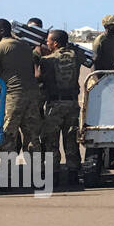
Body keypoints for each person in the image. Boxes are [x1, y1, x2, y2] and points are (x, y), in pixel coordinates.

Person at [0, 19, 41, 155]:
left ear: (1, 31)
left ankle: (8, 174)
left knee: (8, 136)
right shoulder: (25, 46)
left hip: (13, 96)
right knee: (32, 137)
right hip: (32, 96)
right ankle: (37, 173)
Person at [37, 29, 82, 182]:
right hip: (72, 103)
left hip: (55, 104)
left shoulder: (47, 60)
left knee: (51, 140)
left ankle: (53, 174)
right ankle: (73, 172)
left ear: (55, 43)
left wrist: (38, 54)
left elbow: (40, 79)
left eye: (49, 41)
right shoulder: (76, 57)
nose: (47, 43)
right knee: (71, 138)